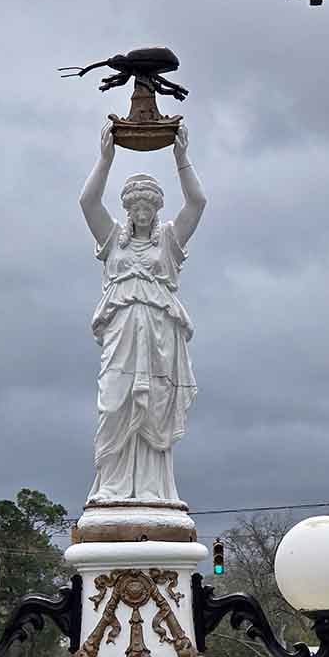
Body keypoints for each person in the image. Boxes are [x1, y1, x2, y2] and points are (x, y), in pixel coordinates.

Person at [79, 121, 207, 503]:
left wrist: (181, 158)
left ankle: (154, 490)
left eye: (149, 207)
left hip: (158, 339)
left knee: (153, 406)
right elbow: (88, 202)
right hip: (120, 337)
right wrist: (105, 160)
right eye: (136, 207)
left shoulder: (168, 241)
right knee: (114, 402)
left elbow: (197, 203)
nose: (142, 214)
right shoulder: (112, 240)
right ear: (128, 210)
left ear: (156, 210)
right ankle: (111, 487)